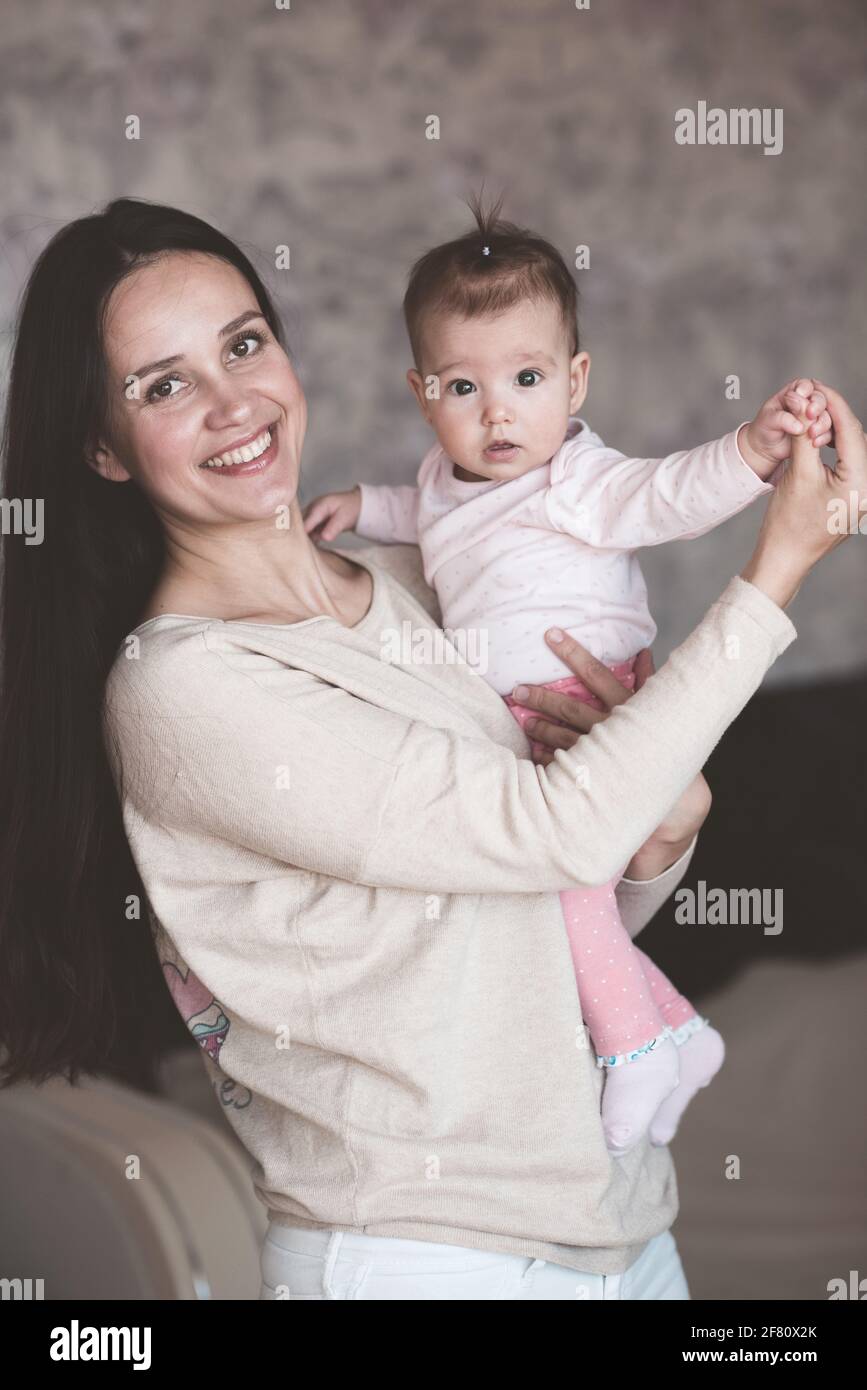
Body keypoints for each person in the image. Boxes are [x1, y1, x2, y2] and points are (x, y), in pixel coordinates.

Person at [0, 197, 863, 1302]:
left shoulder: (418, 585)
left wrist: (662, 835)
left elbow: (534, 917)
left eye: (244, 344)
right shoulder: (189, 686)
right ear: (101, 446)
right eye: (163, 385)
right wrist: (778, 568)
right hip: (424, 1253)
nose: (233, 405)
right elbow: (551, 827)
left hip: (622, 1225)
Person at [300, 195, 836, 1159]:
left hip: (591, 701)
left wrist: (754, 451)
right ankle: (675, 1027)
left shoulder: (574, 481)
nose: (497, 410)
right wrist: (356, 504)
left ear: (575, 381)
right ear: (422, 393)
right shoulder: (437, 480)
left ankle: (632, 1045)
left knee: (553, 884)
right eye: (462, 388)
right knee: (542, 901)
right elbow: (421, 516)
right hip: (510, 719)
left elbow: (670, 493)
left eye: (527, 377)